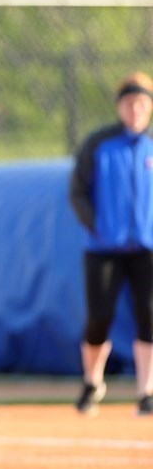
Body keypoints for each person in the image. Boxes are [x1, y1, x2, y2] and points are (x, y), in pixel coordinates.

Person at [69, 71, 153, 417]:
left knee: (149, 316)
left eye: (142, 103)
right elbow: (77, 191)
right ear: (120, 106)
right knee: (99, 318)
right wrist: (96, 225)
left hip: (146, 248)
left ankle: (146, 391)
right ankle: (92, 382)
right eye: (130, 102)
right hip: (104, 248)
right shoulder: (99, 143)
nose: (135, 109)